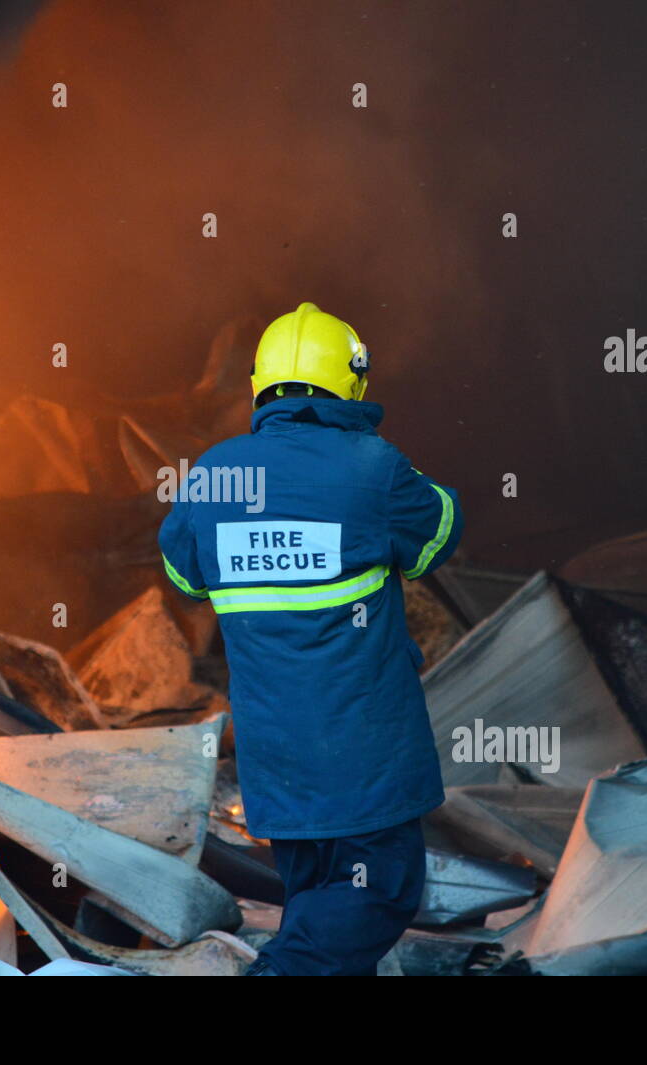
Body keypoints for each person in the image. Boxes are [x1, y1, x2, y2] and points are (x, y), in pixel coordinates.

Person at [158, 302, 464, 975]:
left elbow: (183, 571)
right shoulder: (371, 467)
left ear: (261, 383)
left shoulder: (215, 474)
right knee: (379, 893)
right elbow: (441, 528)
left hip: (279, 764)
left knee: (317, 907)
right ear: (349, 381)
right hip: (365, 760)